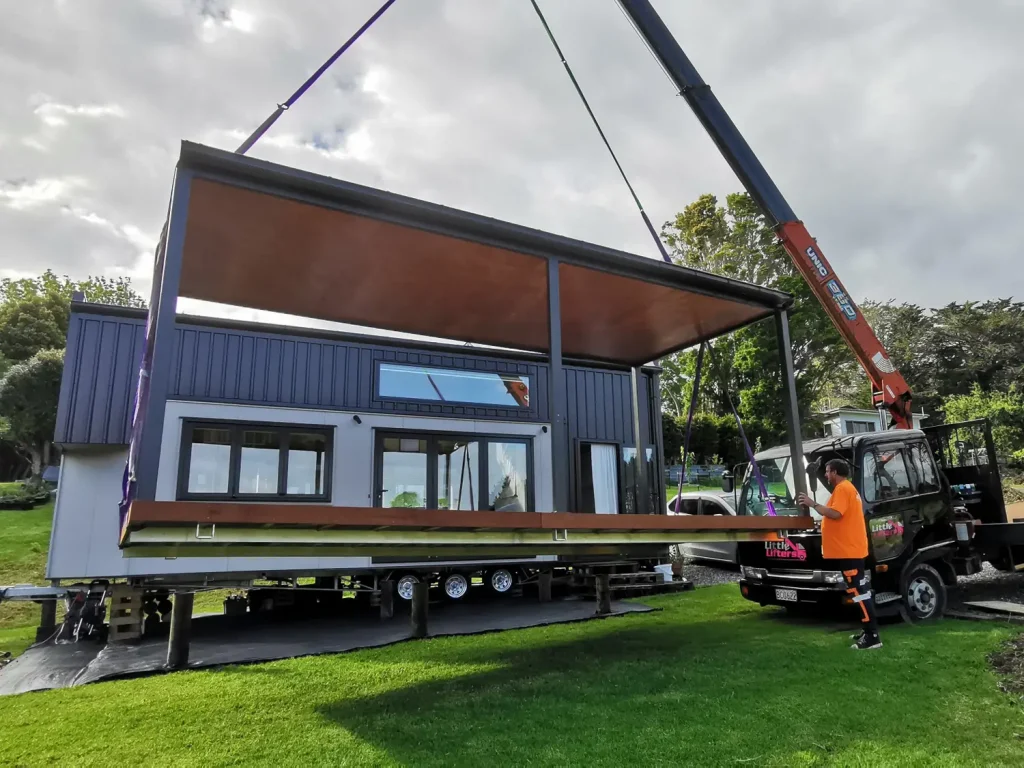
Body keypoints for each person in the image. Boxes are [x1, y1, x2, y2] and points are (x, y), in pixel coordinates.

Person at [796, 458, 881, 650]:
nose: (825, 475)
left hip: (849, 551)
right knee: (858, 593)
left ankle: (872, 636)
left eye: (827, 472)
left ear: (834, 472)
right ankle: (868, 630)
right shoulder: (846, 489)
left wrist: (812, 504)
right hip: (850, 550)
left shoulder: (843, 489)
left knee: (859, 594)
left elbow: (836, 513)